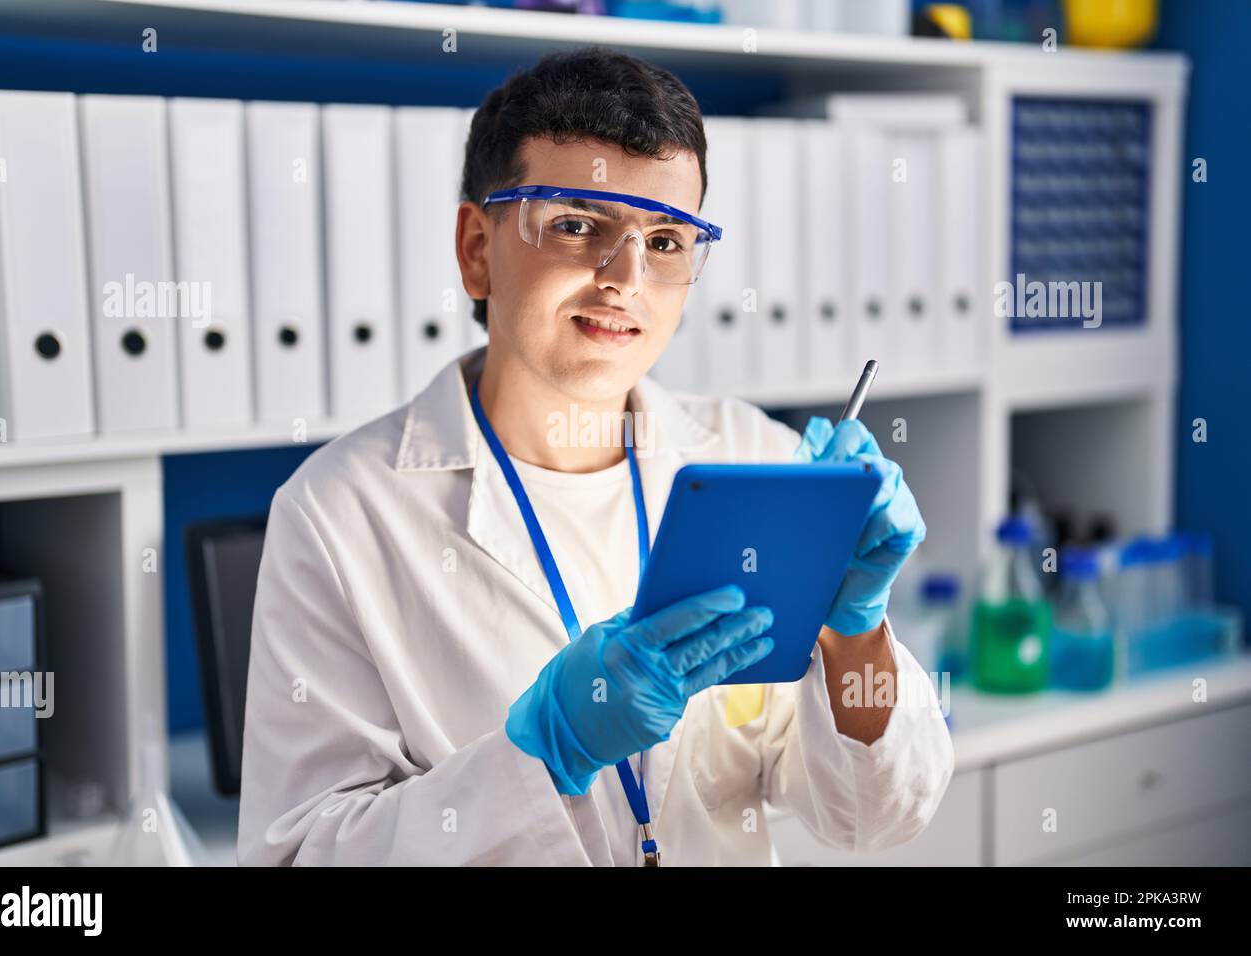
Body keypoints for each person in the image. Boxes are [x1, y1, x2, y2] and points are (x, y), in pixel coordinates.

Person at [238, 46, 953, 866]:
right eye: (577, 225)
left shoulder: (762, 461)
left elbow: (874, 820)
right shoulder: (337, 515)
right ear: (477, 246)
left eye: (667, 239)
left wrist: (852, 634)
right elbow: (298, 857)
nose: (627, 277)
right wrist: (549, 752)